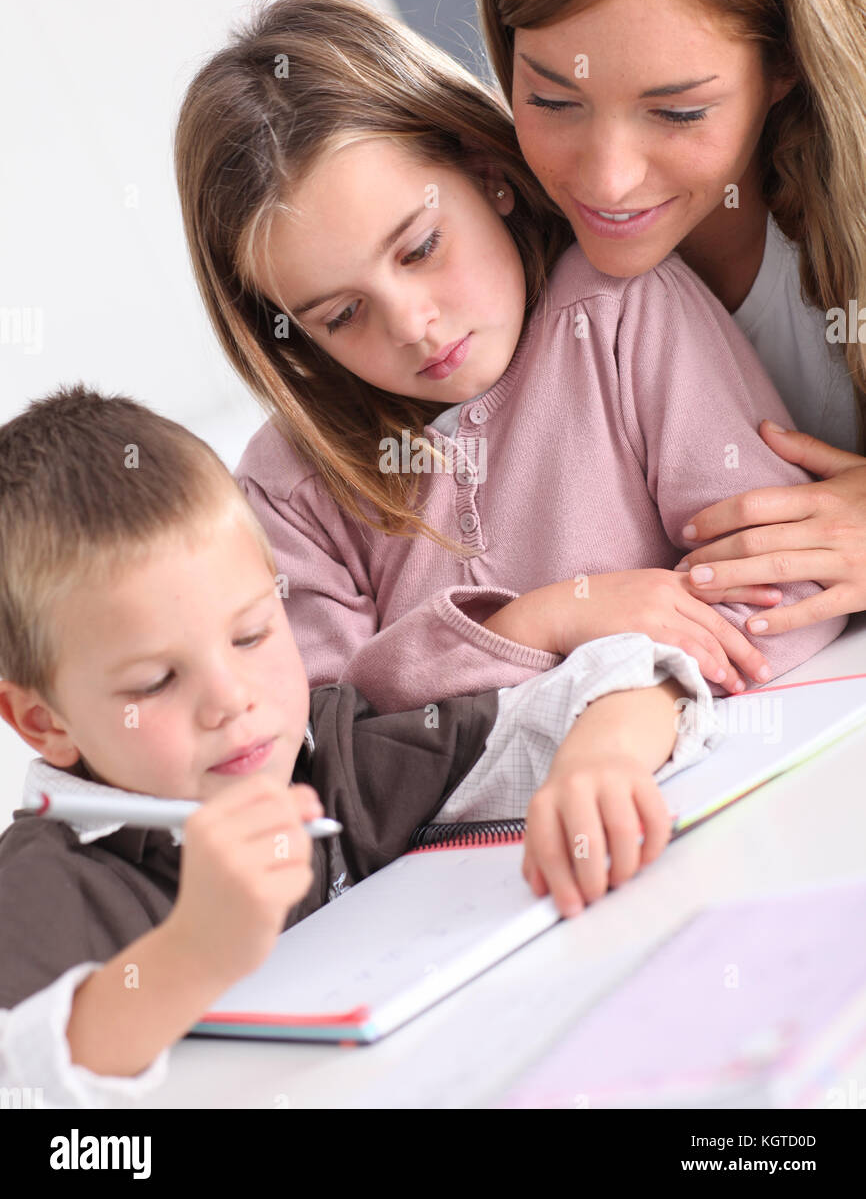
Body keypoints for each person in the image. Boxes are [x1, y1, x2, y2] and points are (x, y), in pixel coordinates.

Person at [0, 384, 718, 1106]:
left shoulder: (331, 756)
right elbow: (20, 1072)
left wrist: (602, 758)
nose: (231, 700)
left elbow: (619, 678)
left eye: (251, 635)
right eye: (155, 681)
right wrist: (197, 949)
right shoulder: (42, 885)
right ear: (44, 723)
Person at [173, 0, 845, 717]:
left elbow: (789, 587)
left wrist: (633, 707)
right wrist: (534, 624)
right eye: (341, 315)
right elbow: (325, 743)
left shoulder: (622, 315)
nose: (413, 325)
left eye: (422, 248)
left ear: (486, 172)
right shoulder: (290, 488)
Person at [476, 0, 866, 631]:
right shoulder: (477, 263)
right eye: (552, 98)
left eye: (679, 113)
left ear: (787, 63)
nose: (609, 181)